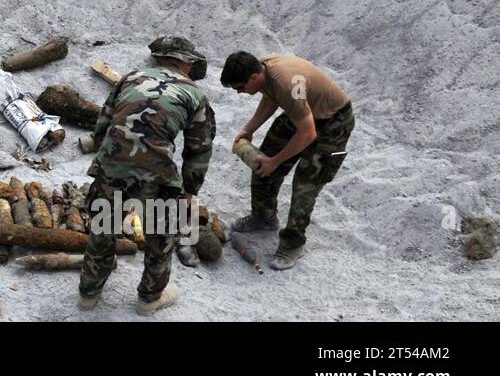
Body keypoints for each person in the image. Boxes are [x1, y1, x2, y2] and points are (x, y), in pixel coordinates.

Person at [78, 36, 214, 314]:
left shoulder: (129, 78)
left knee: (103, 229)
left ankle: (88, 294)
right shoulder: (195, 94)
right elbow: (199, 150)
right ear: (186, 63)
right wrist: (189, 191)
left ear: (159, 59)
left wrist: (107, 165)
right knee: (161, 237)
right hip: (157, 172)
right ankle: (149, 299)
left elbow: (102, 126)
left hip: (111, 163)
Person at [220, 51, 354, 271]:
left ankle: (293, 243)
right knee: (261, 164)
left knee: (306, 184)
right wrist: (248, 130)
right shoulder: (264, 69)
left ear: (254, 78)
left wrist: (277, 161)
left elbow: (308, 134)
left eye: (240, 87)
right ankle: (263, 217)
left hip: (333, 122)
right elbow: (270, 99)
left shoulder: (287, 84)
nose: (240, 93)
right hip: (303, 114)